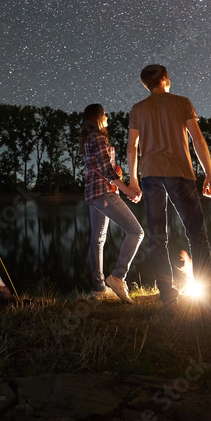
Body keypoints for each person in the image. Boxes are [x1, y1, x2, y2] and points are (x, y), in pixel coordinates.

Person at [126, 65, 211, 310]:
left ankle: (167, 295)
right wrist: (209, 173)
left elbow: (132, 148)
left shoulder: (137, 109)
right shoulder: (182, 102)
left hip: (150, 176)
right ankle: (207, 295)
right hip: (179, 173)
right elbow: (198, 139)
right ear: (165, 79)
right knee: (197, 233)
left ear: (146, 84)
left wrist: (133, 180)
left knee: (157, 238)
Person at [80, 103, 144, 303]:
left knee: (97, 240)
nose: (108, 117)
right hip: (104, 193)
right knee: (136, 232)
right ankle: (117, 277)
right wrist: (127, 190)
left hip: (93, 194)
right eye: (105, 115)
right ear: (99, 118)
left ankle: (99, 288)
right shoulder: (98, 137)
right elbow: (106, 170)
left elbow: (101, 167)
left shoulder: (88, 139)